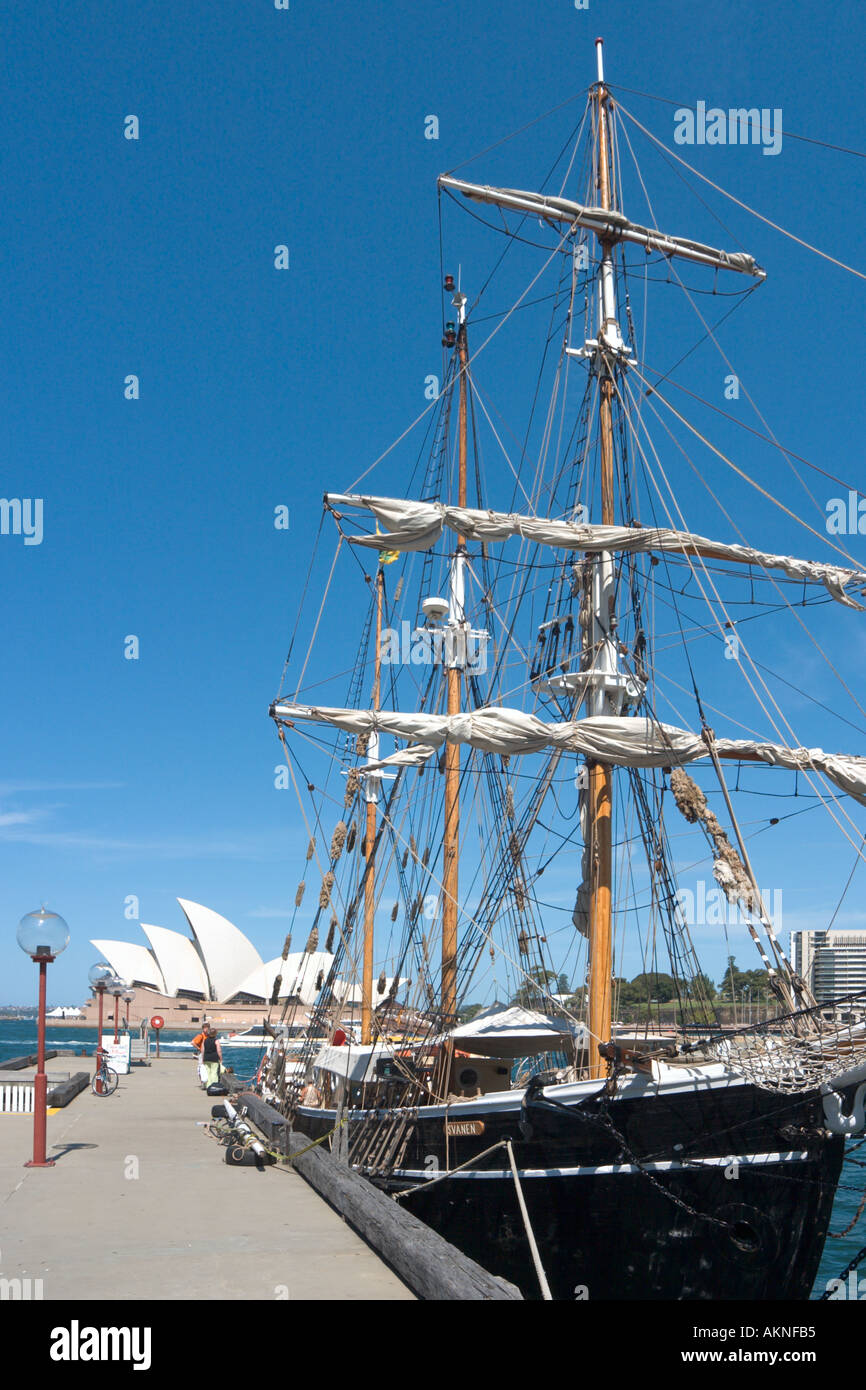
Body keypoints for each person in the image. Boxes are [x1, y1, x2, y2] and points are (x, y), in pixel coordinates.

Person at [199, 1024, 223, 1090]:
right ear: (215, 1034)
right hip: (214, 1058)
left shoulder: (205, 1040)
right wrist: (221, 1058)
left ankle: (208, 1086)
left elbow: (202, 1050)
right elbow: (219, 1050)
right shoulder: (216, 1041)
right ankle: (214, 1085)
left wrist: (203, 1058)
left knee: (207, 1073)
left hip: (206, 1058)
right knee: (214, 1072)